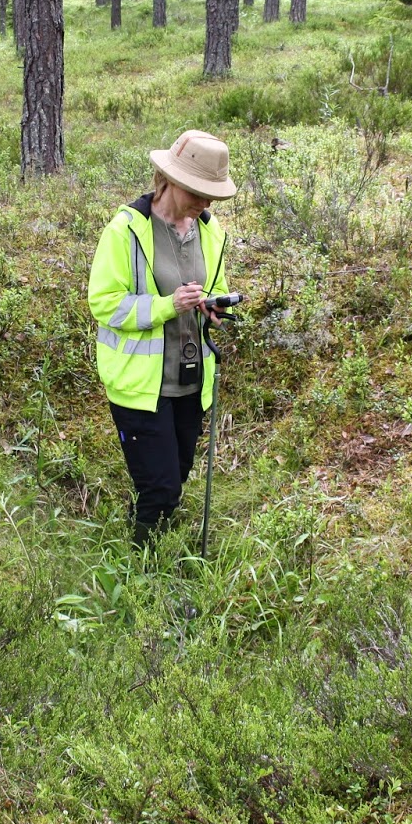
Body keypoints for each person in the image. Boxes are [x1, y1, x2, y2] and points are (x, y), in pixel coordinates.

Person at [87, 130, 236, 546]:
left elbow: (214, 283)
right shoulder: (126, 231)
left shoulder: (210, 229)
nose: (207, 204)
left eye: (213, 196)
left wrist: (212, 305)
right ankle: (144, 574)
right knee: (161, 486)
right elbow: (104, 303)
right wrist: (167, 305)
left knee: (176, 475)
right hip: (140, 386)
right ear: (174, 181)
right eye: (201, 193)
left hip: (191, 381)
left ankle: (154, 540)